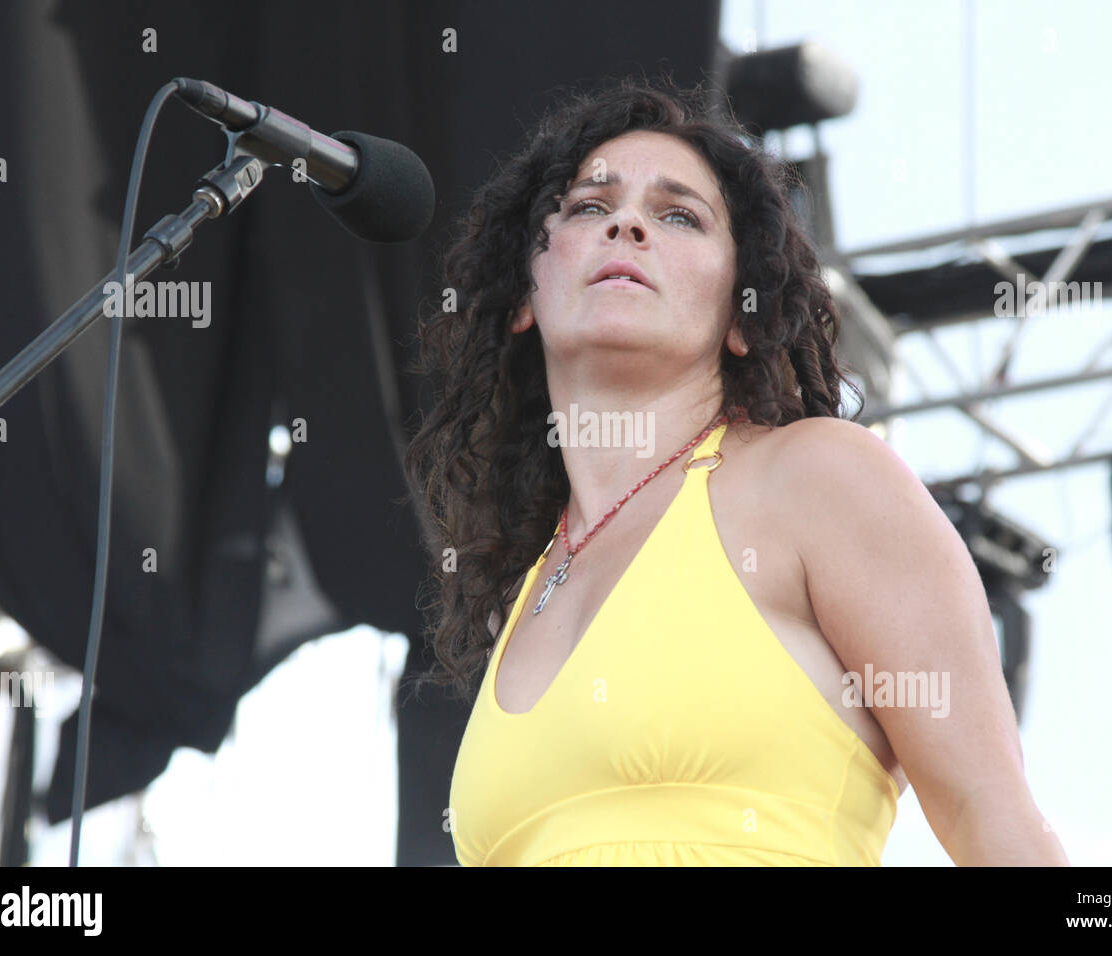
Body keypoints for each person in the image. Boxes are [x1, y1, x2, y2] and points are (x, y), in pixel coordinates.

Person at [402, 75, 1069, 866]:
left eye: (678, 214)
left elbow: (991, 815)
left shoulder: (819, 478)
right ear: (524, 298)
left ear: (742, 317)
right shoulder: (524, 594)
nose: (627, 224)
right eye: (589, 206)